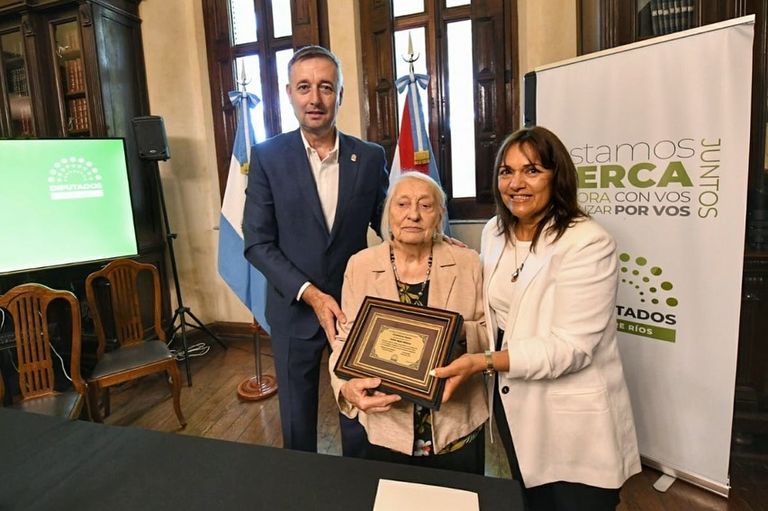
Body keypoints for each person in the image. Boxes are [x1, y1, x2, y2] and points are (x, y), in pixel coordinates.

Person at [433, 126, 641, 509]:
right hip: (517, 411)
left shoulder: (587, 242)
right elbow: (494, 303)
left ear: (556, 176)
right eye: (506, 172)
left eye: (531, 171)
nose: (516, 183)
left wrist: (483, 363)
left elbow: (571, 348)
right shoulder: (496, 231)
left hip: (574, 422)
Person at [243, 45, 389, 454]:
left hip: (355, 309)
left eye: (326, 87)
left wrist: (428, 232)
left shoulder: (371, 156)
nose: (315, 98)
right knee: (297, 423)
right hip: (294, 311)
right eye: (304, 87)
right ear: (288, 92)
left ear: (340, 95)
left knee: (360, 417)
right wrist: (311, 293)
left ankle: (362, 487)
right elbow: (256, 241)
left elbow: (388, 223)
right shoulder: (268, 157)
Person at [328, 172, 488, 474]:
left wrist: (451, 333)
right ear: (388, 213)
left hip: (455, 423)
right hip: (385, 425)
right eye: (402, 204)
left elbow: (489, 332)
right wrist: (344, 387)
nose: (413, 214)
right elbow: (344, 339)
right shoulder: (360, 265)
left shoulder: (468, 263)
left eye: (426, 206)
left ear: (440, 215)